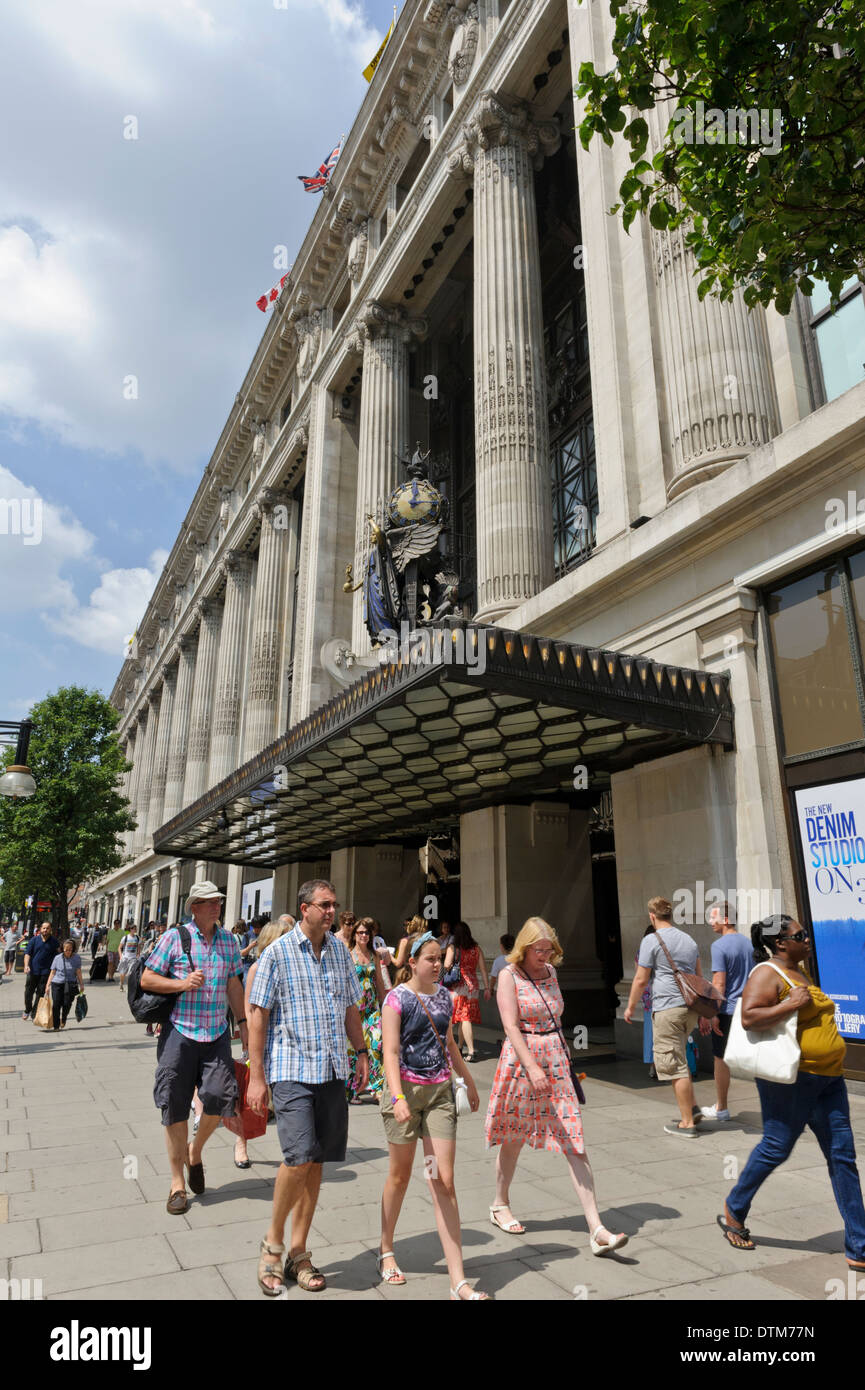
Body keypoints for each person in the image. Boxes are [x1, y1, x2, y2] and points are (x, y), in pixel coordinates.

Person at [718, 914, 865, 1269]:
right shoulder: (767, 973)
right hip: (793, 1081)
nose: (807, 939)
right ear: (780, 942)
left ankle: (858, 1246)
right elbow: (749, 1016)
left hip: (830, 1079)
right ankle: (735, 1208)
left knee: (843, 1157)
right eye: (800, 935)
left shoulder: (799, 970)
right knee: (776, 1147)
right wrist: (790, 1004)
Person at [247, 880, 368, 1295]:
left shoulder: (339, 951)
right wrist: (257, 1076)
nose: (332, 911)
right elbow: (258, 1015)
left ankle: (299, 1251)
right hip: (291, 1069)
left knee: (316, 1162)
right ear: (304, 909)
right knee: (298, 1157)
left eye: (335, 904)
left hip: (332, 1069)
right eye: (325, 905)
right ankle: (272, 1246)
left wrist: (362, 1052)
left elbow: (351, 1006)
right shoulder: (277, 954)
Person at [485, 916, 628, 1255]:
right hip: (522, 1062)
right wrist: (532, 1066)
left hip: (555, 1060)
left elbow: (556, 1017)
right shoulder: (508, 975)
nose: (545, 956)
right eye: (539, 950)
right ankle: (499, 1203)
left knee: (573, 1139)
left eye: (550, 950)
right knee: (515, 1136)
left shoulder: (552, 973)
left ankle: (596, 1228)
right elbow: (510, 1026)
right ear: (525, 947)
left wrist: (559, 1058)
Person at [378, 932, 488, 1298]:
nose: (438, 964)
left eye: (440, 958)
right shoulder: (397, 999)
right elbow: (390, 1053)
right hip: (406, 1094)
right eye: (430, 959)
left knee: (443, 1178)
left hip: (440, 1094)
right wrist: (396, 1097)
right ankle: (386, 1249)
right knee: (400, 1175)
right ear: (412, 963)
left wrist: (468, 1081)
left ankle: (458, 1279)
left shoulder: (444, 996)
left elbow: (450, 1042)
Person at [140, 881, 248, 1216]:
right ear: (194, 906)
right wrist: (181, 983)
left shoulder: (230, 941)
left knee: (219, 1099)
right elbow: (147, 979)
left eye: (218, 902)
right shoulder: (175, 938)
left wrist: (243, 1025)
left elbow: (233, 983)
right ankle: (176, 1184)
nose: (216, 907)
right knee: (173, 1105)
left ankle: (194, 1151)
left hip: (216, 1034)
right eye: (209, 902)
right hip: (179, 1033)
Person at [624, 896, 706, 1137]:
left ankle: (687, 1123)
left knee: (674, 1065)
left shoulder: (651, 940)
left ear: (652, 916)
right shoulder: (689, 940)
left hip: (667, 1007)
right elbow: (699, 977)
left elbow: (640, 979)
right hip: (689, 1008)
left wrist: (630, 1006)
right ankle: (692, 1108)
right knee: (679, 1057)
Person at [231, 917, 295, 1168]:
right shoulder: (258, 968)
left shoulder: (293, 968)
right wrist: (248, 1040)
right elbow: (248, 1008)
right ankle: (241, 1143)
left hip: (286, 1044)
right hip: (262, 1042)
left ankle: (293, 1151)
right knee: (250, 1099)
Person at [700, 901, 753, 1121]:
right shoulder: (749, 944)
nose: (711, 922)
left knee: (720, 1059)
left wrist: (711, 1013)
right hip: (748, 1009)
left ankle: (721, 1107)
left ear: (726, 919)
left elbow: (719, 983)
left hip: (727, 1010)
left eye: (714, 918)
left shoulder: (719, 946)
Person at [347, 918, 386, 1102]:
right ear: (354, 935)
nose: (363, 935)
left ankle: (377, 1087)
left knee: (377, 1044)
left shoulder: (374, 955)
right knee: (355, 1049)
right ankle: (354, 1089)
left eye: (366, 932)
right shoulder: (348, 955)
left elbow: (379, 981)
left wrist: (386, 1005)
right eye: (360, 932)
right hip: (354, 1009)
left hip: (371, 1009)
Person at [444, 920, 490, 1062]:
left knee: (462, 1018)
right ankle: (459, 1046)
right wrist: (487, 987)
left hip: (459, 985)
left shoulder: (453, 947)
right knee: (465, 1017)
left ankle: (470, 1051)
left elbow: (446, 965)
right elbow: (483, 969)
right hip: (473, 985)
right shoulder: (476, 948)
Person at [22, 922, 59, 1020]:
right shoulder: (34, 940)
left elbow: (58, 956)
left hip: (46, 973)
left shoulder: (54, 942)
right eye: (44, 928)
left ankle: (34, 1013)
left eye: (47, 928)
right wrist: (26, 966)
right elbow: (27, 954)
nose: (45, 930)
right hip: (33, 971)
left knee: (40, 994)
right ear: (40, 929)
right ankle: (27, 1009)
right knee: (28, 993)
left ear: (50, 929)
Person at [46, 937, 84, 1030]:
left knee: (67, 1004)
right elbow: (52, 972)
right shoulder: (57, 958)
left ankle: (64, 1018)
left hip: (71, 984)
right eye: (66, 949)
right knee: (56, 1004)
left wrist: (81, 984)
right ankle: (56, 1025)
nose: (68, 951)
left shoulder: (77, 958)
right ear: (63, 948)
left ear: (73, 949)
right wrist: (48, 985)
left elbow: (78, 972)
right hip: (57, 983)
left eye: (70, 950)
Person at [116, 926, 141, 992]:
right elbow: (119, 948)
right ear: (130, 929)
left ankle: (130, 987)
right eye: (134, 929)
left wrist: (138, 954)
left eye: (136, 929)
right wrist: (121, 956)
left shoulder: (137, 938)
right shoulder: (125, 937)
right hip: (125, 958)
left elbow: (139, 947)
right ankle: (121, 983)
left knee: (131, 973)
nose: (135, 930)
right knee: (123, 973)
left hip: (133, 958)